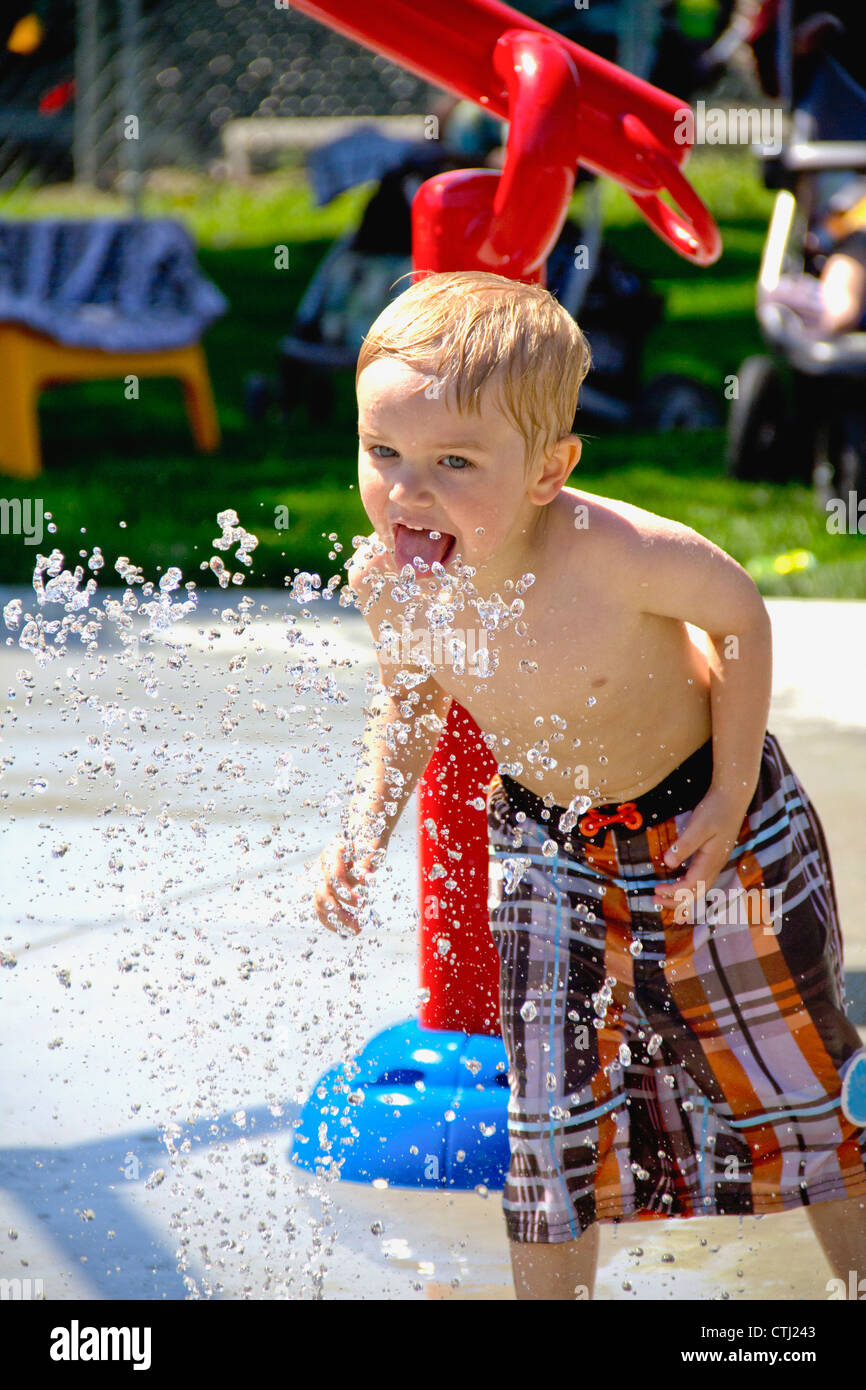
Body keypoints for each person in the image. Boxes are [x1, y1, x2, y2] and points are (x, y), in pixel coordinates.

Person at [313, 269, 866, 1300]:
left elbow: (739, 615)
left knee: (798, 1078)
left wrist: (732, 787)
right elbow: (413, 711)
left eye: (452, 461)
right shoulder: (389, 583)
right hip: (550, 847)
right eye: (380, 452)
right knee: (549, 1118)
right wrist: (361, 830)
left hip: (712, 824)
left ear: (546, 469)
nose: (406, 489)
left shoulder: (608, 553)